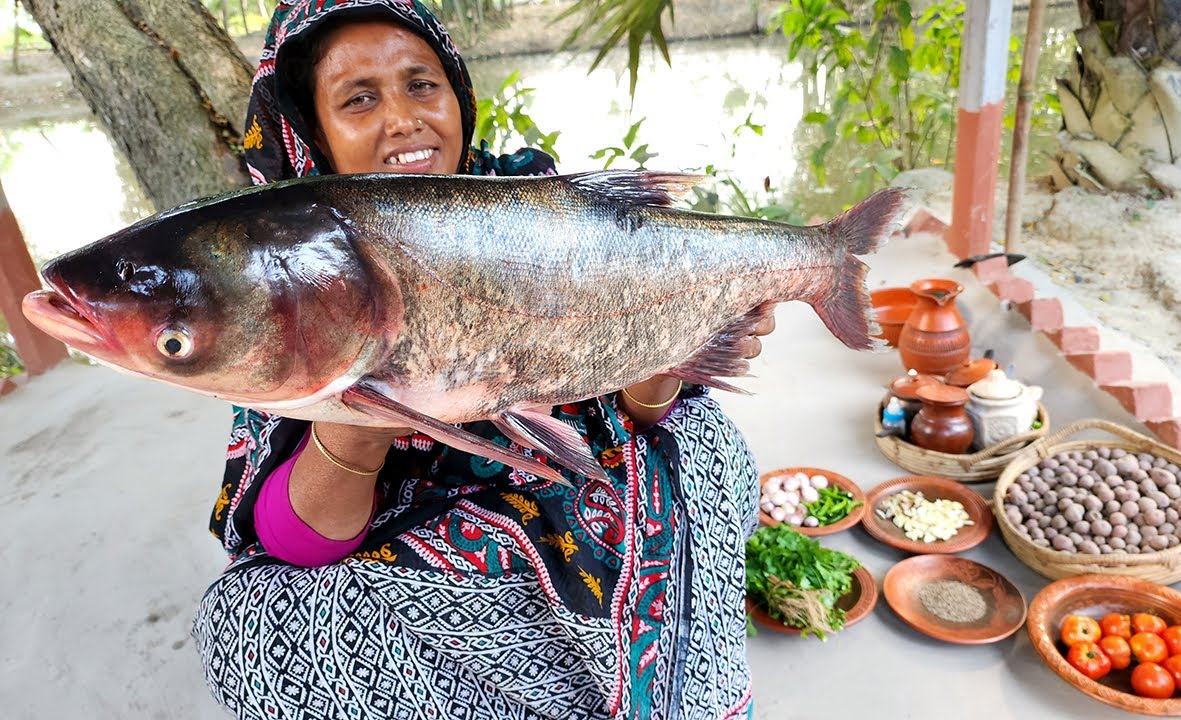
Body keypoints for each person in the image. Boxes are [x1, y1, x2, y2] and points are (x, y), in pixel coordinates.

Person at [193, 1, 771, 718]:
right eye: (359, 98)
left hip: (588, 490)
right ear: (312, 131)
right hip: (439, 560)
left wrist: (673, 353)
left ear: (458, 93)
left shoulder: (542, 205)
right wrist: (353, 419)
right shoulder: (291, 267)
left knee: (702, 443)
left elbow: (644, 411)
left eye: (422, 84)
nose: (404, 118)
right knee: (250, 626)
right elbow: (293, 543)